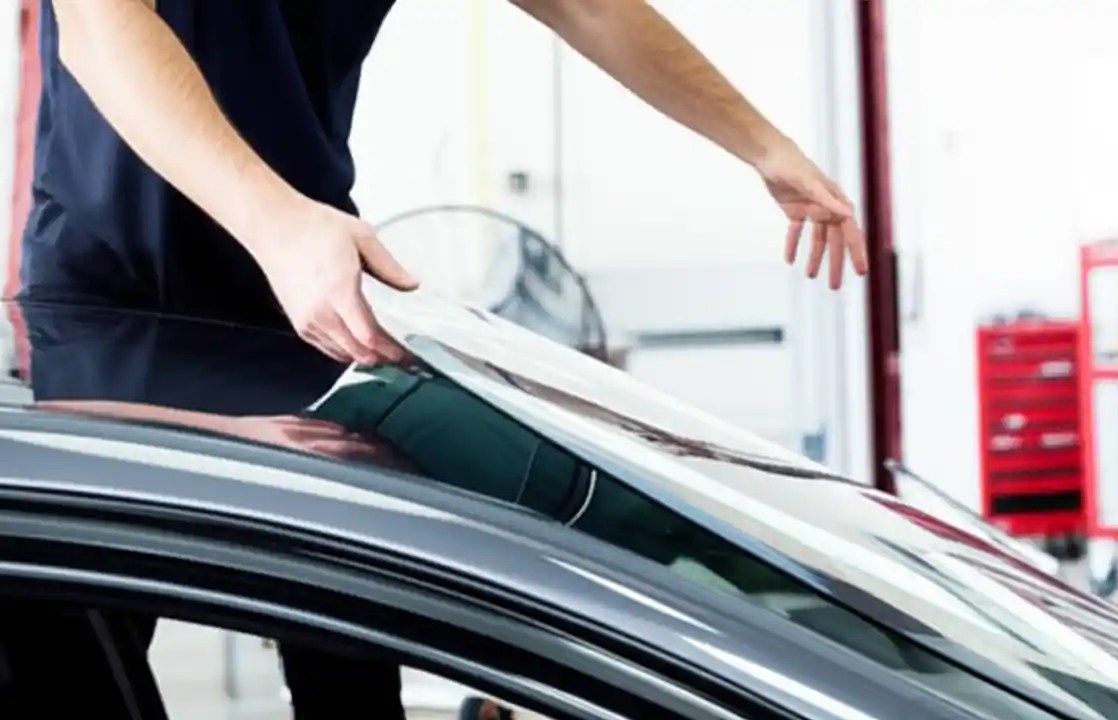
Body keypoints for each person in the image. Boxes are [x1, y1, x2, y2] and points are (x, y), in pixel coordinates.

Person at [21, 1, 868, 717]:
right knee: (76, 639)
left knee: (355, 647)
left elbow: (590, 6)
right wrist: (276, 225)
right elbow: (102, 29)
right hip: (116, 292)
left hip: (305, 285)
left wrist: (762, 144)